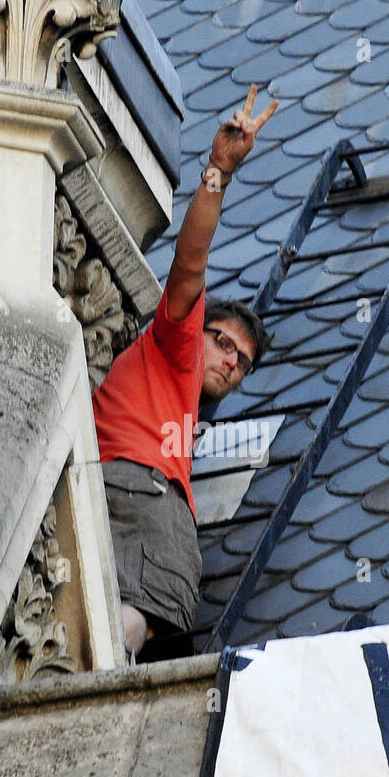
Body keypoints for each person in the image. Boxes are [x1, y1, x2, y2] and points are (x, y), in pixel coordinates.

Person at [92, 84, 278, 658]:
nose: (230, 361)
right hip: (146, 489)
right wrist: (219, 170)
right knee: (159, 600)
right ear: (198, 332)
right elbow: (190, 261)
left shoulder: (172, 399)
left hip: (106, 482)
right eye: (223, 343)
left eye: (242, 363)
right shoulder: (176, 344)